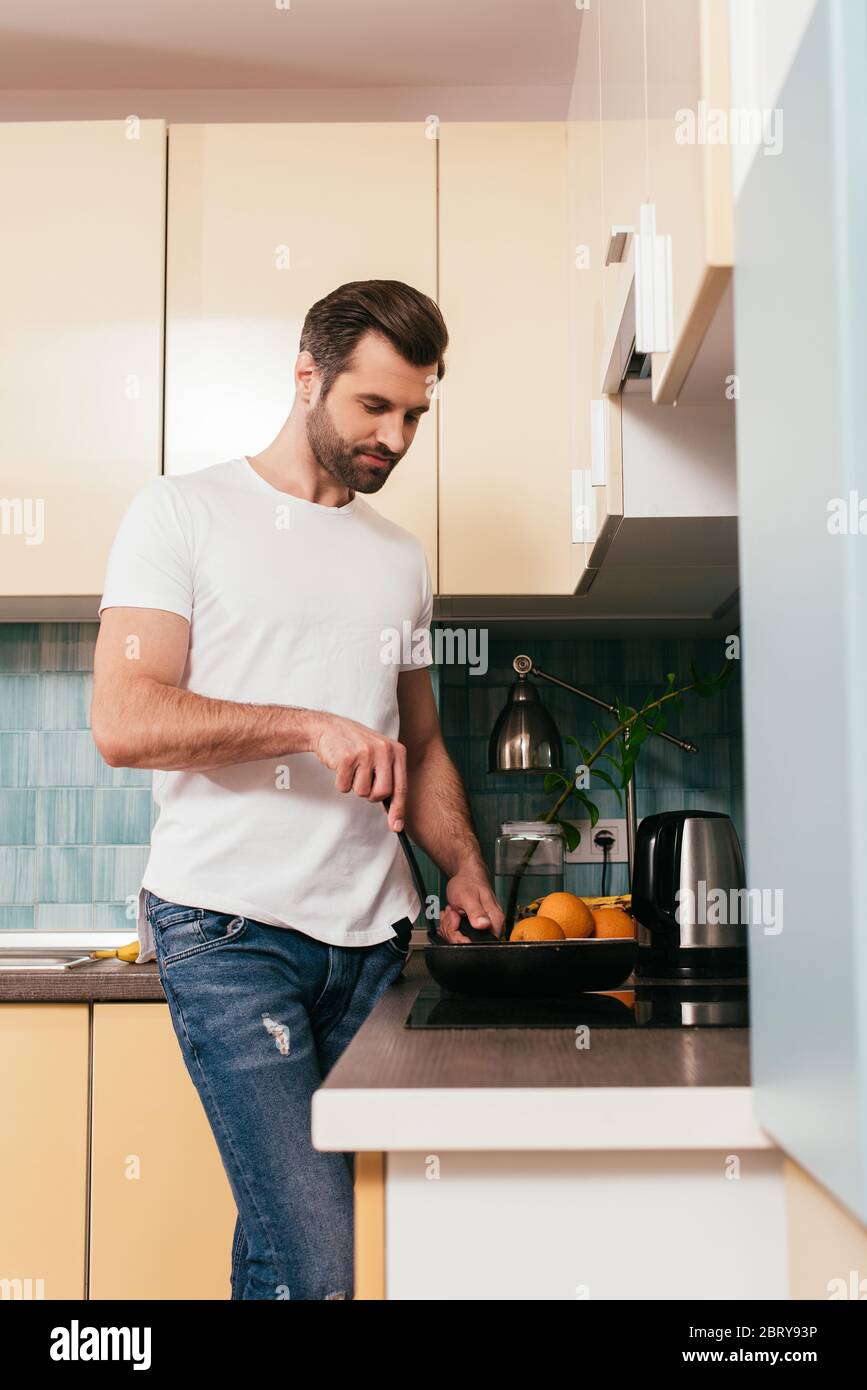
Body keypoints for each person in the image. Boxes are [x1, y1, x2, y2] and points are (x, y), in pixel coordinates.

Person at [91, 278, 504, 1301]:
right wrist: (310, 724)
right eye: (375, 406)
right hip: (232, 934)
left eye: (415, 414)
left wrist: (465, 869)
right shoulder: (182, 510)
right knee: (323, 1259)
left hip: (374, 941)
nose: (397, 437)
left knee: (289, 1242)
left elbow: (425, 740)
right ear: (307, 375)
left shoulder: (400, 558)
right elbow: (127, 719)